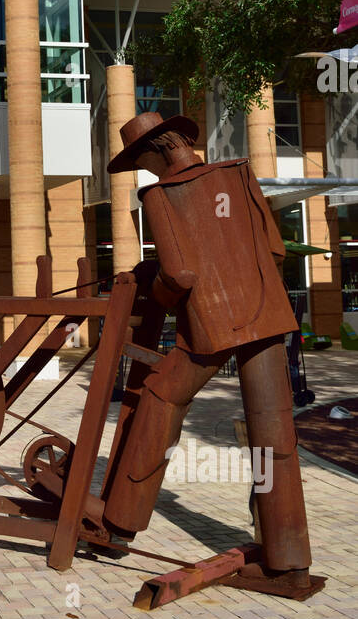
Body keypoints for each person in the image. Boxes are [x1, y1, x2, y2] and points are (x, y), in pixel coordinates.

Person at [100, 110, 313, 588]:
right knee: (273, 434)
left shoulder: (161, 195)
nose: (145, 170)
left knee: (159, 396)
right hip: (266, 315)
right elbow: (275, 251)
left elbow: (178, 275)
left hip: (211, 329)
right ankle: (289, 557)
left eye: (141, 160)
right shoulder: (238, 174)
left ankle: (118, 521)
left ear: (156, 151)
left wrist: (154, 292)